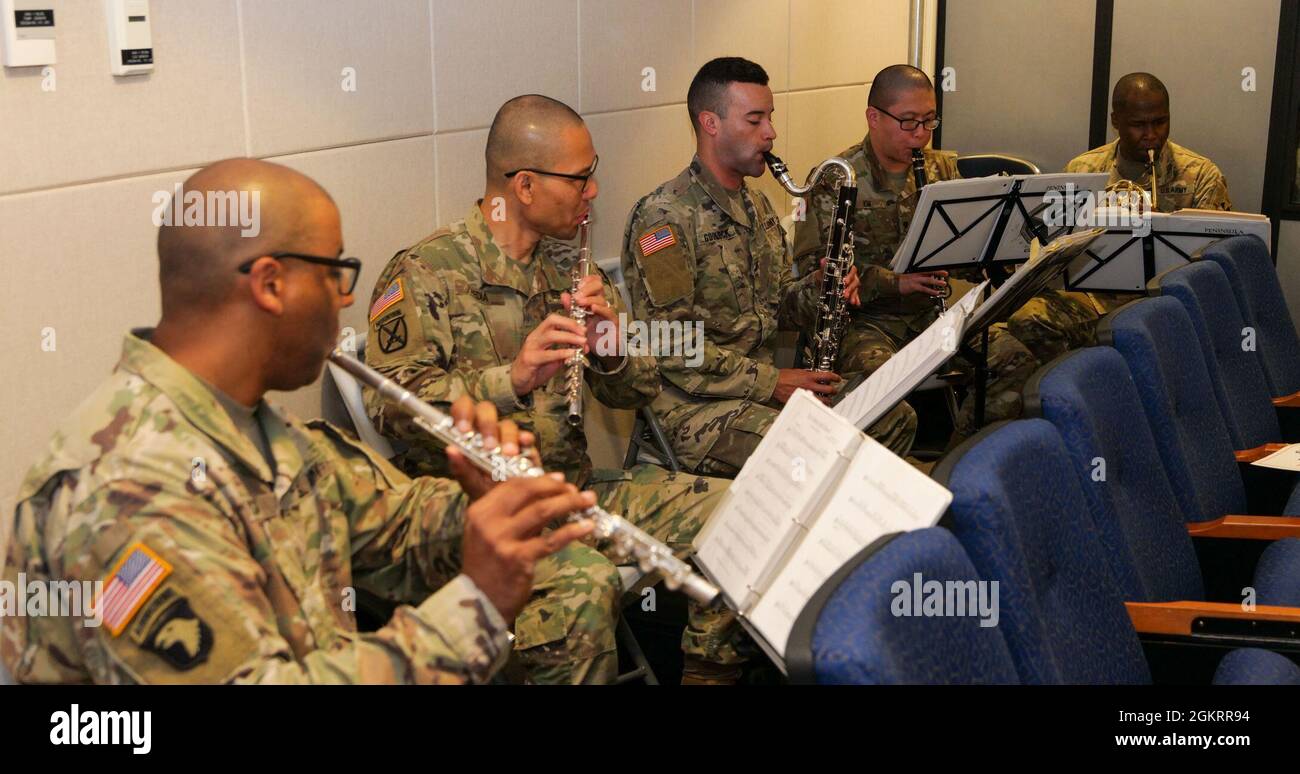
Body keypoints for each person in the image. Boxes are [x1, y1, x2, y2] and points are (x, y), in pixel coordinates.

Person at [0, 158, 612, 685]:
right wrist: (475, 609)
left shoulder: (259, 429)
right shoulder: (133, 488)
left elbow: (388, 525)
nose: (345, 299)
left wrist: (482, 506)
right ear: (270, 284)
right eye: (332, 274)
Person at [365, 95, 743, 684]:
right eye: (581, 178)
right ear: (524, 186)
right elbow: (391, 406)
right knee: (584, 583)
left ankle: (706, 675)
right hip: (482, 517)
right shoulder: (426, 271)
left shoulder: (572, 265)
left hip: (573, 491)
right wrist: (509, 380)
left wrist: (611, 347)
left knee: (736, 514)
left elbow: (634, 392)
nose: (593, 192)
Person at [622, 57, 909, 478]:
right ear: (710, 123)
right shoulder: (664, 218)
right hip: (691, 408)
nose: (771, 133)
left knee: (893, 416)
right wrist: (770, 382)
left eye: (770, 118)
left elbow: (781, 305)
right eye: (755, 120)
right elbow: (669, 344)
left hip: (763, 386)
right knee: (813, 451)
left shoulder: (756, 204)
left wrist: (823, 286)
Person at [792, 64, 1038, 442]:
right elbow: (815, 276)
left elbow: (963, 253)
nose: (921, 135)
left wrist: (994, 251)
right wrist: (897, 283)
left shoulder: (941, 168)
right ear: (874, 117)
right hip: (867, 323)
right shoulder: (835, 179)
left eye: (929, 121)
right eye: (909, 123)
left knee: (1014, 362)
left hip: (932, 317)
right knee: (882, 396)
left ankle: (963, 466)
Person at [1009, 72, 1233, 363]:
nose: (1151, 134)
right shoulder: (1083, 169)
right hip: (1095, 296)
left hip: (1168, 302)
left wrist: (1160, 225)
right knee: (1027, 319)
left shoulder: (1202, 174)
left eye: (1160, 122)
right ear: (1116, 122)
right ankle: (1080, 394)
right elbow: (1053, 244)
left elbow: (1215, 264)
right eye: (1138, 125)